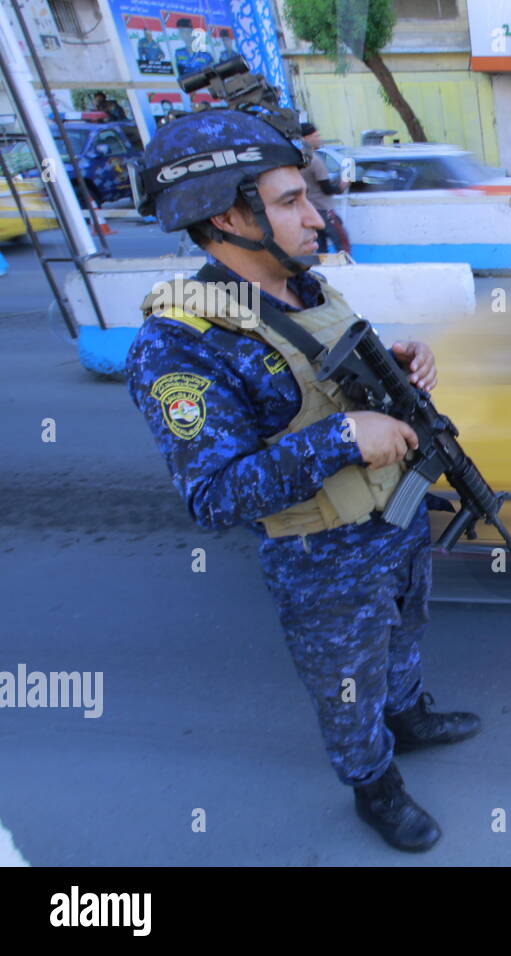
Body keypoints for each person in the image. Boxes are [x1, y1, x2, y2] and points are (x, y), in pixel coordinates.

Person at [125, 107, 481, 853]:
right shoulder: (180, 345)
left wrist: (397, 361)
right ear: (227, 215)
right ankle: (373, 784)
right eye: (290, 202)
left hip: (395, 517)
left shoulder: (306, 289)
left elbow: (325, 369)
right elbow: (214, 495)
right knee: (346, 681)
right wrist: (344, 437)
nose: (315, 217)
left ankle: (407, 714)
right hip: (322, 558)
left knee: (404, 627)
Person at [299, 122, 349, 254]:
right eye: (316, 136)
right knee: (342, 244)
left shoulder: (298, 159)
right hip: (324, 209)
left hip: (310, 210)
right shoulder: (315, 161)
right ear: (306, 138)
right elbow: (326, 188)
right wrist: (341, 186)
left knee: (320, 247)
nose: (319, 139)